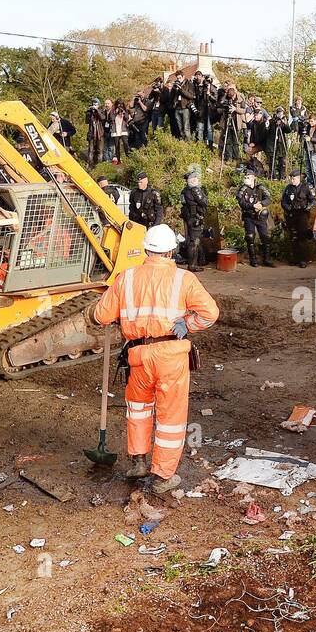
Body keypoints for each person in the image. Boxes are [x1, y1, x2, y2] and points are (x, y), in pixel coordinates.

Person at [89, 224, 219, 494]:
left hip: (138, 354)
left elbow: (100, 316)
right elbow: (210, 313)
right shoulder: (184, 279)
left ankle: (138, 461)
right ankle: (162, 476)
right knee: (170, 416)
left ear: (146, 249)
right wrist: (188, 324)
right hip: (171, 354)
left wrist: (99, 312)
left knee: (138, 408)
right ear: (172, 250)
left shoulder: (126, 278)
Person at [237, 169, 275, 267]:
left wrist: (261, 204)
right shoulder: (243, 189)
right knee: (250, 237)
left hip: (260, 216)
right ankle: (253, 260)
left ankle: (266, 259)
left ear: (254, 177)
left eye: (248, 177)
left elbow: (268, 198)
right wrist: (252, 206)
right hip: (248, 216)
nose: (246, 179)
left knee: (265, 237)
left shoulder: (260, 187)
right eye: (245, 177)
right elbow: (241, 202)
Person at [281, 168, 316, 267]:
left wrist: (308, 207)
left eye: (294, 179)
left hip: (302, 215)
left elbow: (312, 200)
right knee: (293, 237)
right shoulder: (288, 188)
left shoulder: (305, 187)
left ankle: (303, 260)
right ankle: (295, 259)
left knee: (302, 237)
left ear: (298, 178)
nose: (292, 181)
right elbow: (283, 201)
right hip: (291, 215)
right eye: (291, 179)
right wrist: (288, 208)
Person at [181, 170, 209, 272]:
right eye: (195, 178)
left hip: (189, 218)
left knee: (194, 240)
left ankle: (200, 260)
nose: (197, 179)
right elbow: (204, 202)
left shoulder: (184, 191)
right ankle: (192, 265)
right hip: (195, 218)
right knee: (194, 242)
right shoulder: (194, 190)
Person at [84, 99, 105, 167]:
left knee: (100, 151)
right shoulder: (90, 112)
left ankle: (99, 166)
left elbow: (102, 118)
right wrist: (88, 112)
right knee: (90, 150)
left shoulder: (101, 111)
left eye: (96, 104)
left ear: (98, 105)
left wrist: (97, 110)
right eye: (93, 104)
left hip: (100, 134)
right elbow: (86, 121)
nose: (94, 105)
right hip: (91, 134)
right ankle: (90, 165)